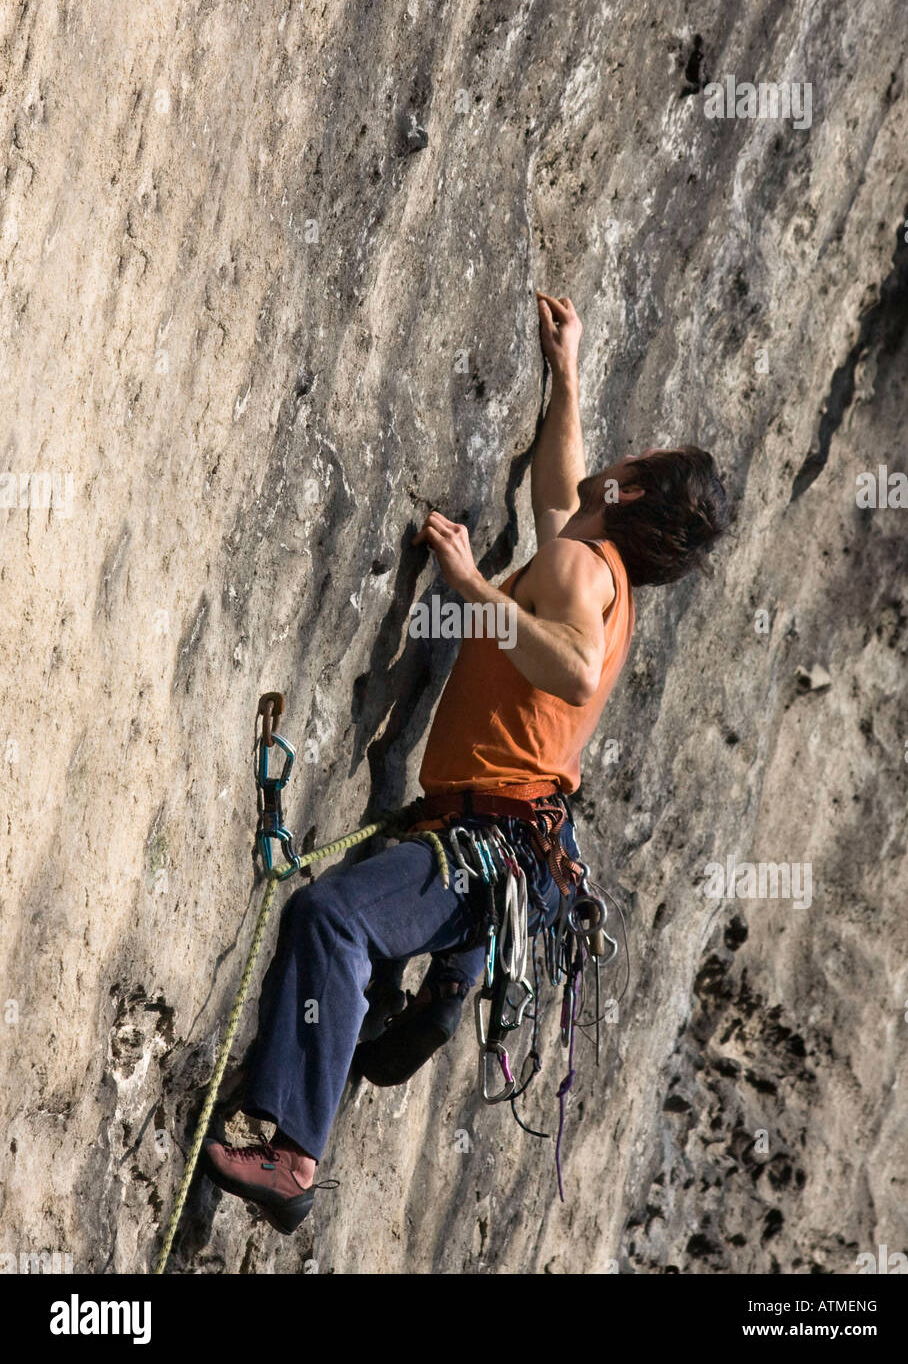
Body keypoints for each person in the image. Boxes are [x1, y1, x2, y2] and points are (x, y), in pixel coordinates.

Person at [201, 291, 729, 1233]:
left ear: (638, 485)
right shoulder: (599, 569)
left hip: (487, 832)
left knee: (330, 918)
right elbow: (560, 495)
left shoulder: (574, 574)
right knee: (390, 910)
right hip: (509, 845)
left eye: (637, 460)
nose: (622, 456)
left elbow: (564, 669)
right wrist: (564, 374)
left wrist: (474, 589)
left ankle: (290, 1153)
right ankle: (451, 973)